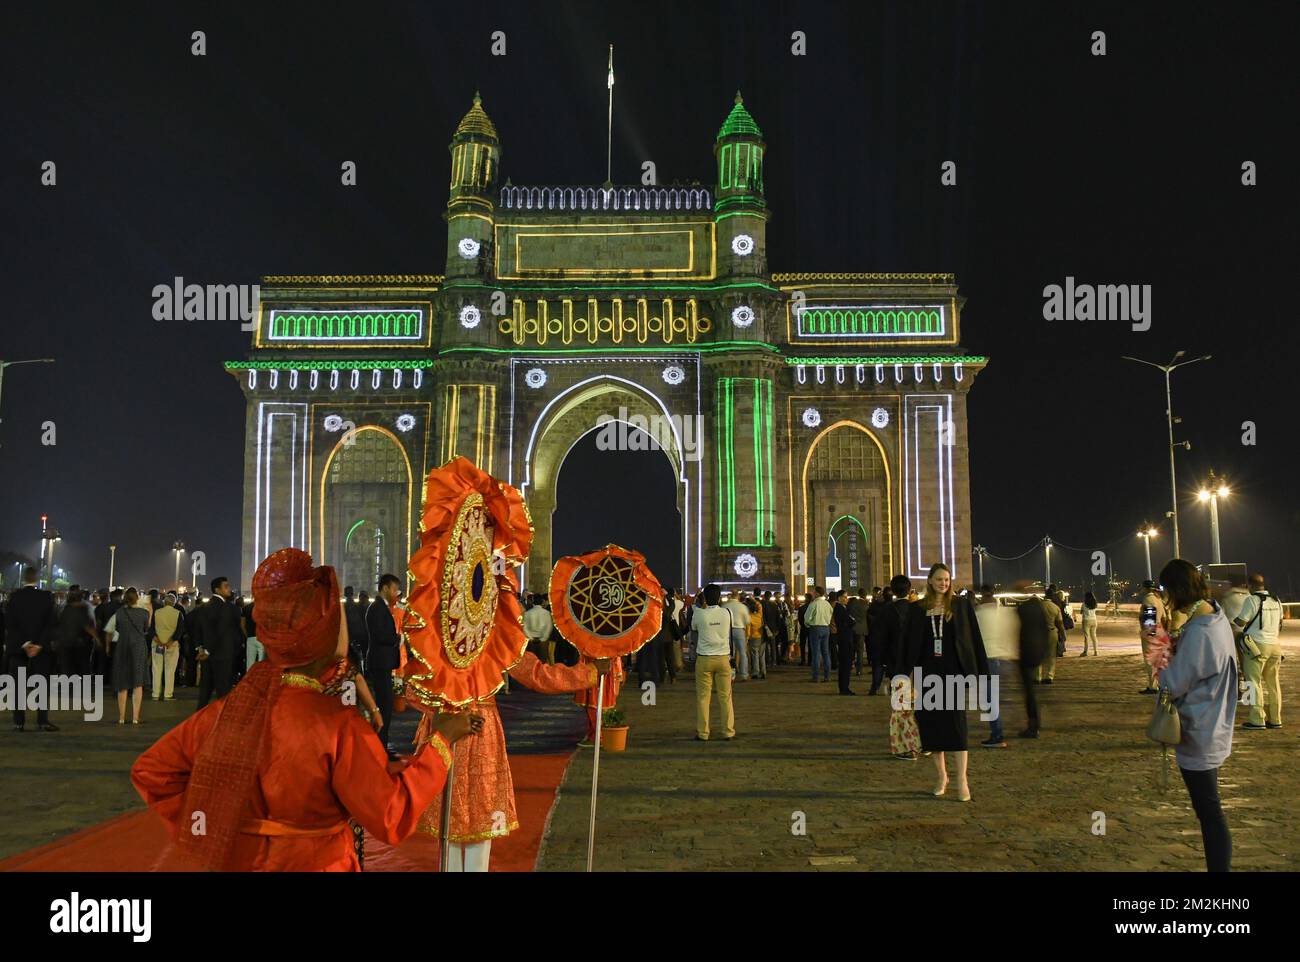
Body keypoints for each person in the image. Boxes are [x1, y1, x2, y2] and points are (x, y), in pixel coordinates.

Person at [131, 548, 481, 871]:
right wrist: (442, 741)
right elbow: (390, 815)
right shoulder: (338, 725)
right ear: (325, 639)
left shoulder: (228, 711)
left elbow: (152, 772)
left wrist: (216, 824)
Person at [1155, 559, 1237, 872]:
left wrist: (1163, 653)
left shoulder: (1201, 633)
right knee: (1209, 807)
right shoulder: (1215, 617)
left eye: (1167, 590)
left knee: (1209, 810)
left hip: (1200, 726)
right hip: (1213, 721)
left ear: (1176, 590)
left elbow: (1171, 684)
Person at [903, 563, 987, 801]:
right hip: (927, 675)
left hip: (954, 674)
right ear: (930, 580)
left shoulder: (960, 606)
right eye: (939, 579)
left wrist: (980, 672)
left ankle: (962, 779)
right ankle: (942, 776)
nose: (943, 583)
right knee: (932, 729)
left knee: (957, 727)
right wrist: (903, 674)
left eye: (947, 579)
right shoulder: (918, 609)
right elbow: (909, 644)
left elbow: (974, 640)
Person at [4, 565, 58, 731]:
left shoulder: (14, 598)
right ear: (37, 578)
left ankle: (19, 722)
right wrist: (39, 644)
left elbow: (10, 624)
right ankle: (42, 720)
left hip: (18, 648)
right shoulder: (46, 597)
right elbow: (51, 624)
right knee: (42, 685)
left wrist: (25, 643)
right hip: (41, 650)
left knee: (18, 686)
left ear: (23, 579)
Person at [1234, 573, 1284, 730]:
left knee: (1252, 682)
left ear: (1250, 585)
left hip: (1256, 646)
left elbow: (1241, 621)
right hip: (1275, 646)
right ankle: (1276, 719)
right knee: (1273, 684)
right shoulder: (1277, 600)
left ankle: (1256, 719)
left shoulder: (1251, 600)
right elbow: (1280, 623)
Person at [190, 577, 244, 708]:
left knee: (205, 692)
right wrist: (208, 650)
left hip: (206, 656)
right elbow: (220, 632)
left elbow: (196, 629)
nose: (229, 589)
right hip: (222, 655)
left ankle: (198, 721)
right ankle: (221, 721)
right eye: (226, 586)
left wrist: (200, 648)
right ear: (217, 589)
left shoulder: (203, 607)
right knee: (223, 691)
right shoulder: (227, 608)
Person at [975, 585, 1019, 748]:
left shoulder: (978, 614)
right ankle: (1006, 726)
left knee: (990, 700)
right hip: (1006, 659)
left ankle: (997, 735)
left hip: (988, 659)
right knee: (1000, 698)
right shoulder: (1006, 613)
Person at [364, 574, 404, 755]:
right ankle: (379, 748)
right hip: (379, 663)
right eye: (395, 589)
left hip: (383, 664)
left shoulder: (382, 608)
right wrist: (397, 638)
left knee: (386, 706)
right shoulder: (377, 608)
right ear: (385, 588)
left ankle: (381, 745)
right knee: (384, 707)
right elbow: (381, 635)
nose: (397, 593)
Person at [690, 584, 735, 740]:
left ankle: (703, 733)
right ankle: (728, 731)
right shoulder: (727, 613)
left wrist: (699, 603)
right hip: (723, 658)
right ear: (719, 597)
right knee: (726, 697)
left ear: (704, 598)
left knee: (703, 697)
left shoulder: (699, 614)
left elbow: (693, 627)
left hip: (704, 658)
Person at [110, 588, 151, 724]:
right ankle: (135, 717)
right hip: (138, 646)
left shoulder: (120, 612)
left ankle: (121, 717)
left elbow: (117, 628)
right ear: (137, 599)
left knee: (123, 682)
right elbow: (146, 628)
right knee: (137, 682)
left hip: (122, 646)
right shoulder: (144, 613)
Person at [53, 588, 97, 679]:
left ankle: (70, 688)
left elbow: (58, 624)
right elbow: (88, 626)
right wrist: (97, 638)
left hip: (64, 643)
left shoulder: (64, 608)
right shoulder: (84, 608)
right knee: (83, 667)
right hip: (79, 644)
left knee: (67, 669)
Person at [151, 592, 183, 701]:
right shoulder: (178, 613)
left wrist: (158, 640)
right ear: (174, 603)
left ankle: (155, 693)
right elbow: (180, 631)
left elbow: (151, 629)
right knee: (170, 670)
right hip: (172, 645)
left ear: (164, 602)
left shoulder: (157, 613)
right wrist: (170, 641)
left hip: (157, 644)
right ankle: (168, 694)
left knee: (156, 668)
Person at [1138, 579, 1167, 694]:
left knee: (1150, 661)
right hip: (1160, 631)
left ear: (1146, 589)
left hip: (1151, 632)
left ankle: (1153, 686)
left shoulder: (1148, 599)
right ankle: (1159, 684)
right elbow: (1165, 618)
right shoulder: (1158, 599)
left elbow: (1149, 620)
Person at [804, 586, 833, 682]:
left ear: (816, 593)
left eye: (813, 592)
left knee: (816, 653)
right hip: (826, 628)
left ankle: (816, 677)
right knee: (826, 653)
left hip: (815, 628)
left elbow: (807, 618)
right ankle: (827, 676)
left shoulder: (813, 604)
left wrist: (808, 624)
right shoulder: (827, 604)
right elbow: (831, 615)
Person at [1035, 590, 1064, 684]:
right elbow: (1059, 623)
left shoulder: (1039, 606)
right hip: (1052, 632)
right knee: (1051, 655)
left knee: (1039, 655)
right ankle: (1049, 676)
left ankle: (1037, 676)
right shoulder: (1055, 607)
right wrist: (1063, 634)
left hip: (1039, 633)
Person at [723, 590, 750, 681]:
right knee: (742, 653)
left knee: (729, 653)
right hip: (739, 630)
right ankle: (744, 674)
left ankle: (731, 675)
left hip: (728, 630)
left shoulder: (725, 606)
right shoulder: (742, 607)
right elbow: (747, 621)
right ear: (738, 596)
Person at [833, 591, 856, 694]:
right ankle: (844, 688)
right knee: (845, 665)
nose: (846, 599)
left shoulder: (843, 608)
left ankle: (845, 687)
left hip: (846, 638)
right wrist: (851, 622)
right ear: (839, 598)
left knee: (846, 665)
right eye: (845, 597)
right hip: (844, 639)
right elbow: (847, 622)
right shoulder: (839, 609)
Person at [523, 593, 555, 665]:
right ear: (542, 602)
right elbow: (548, 627)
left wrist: (530, 637)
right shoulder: (546, 613)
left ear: (533, 601)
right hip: (543, 642)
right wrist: (543, 638)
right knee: (542, 664)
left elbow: (525, 627)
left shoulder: (528, 613)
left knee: (532, 664)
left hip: (531, 642)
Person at [847, 588, 870, 678]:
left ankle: (850, 666)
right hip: (862, 629)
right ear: (865, 595)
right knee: (860, 650)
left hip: (853, 628)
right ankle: (859, 670)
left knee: (851, 649)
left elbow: (848, 613)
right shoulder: (866, 604)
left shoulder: (853, 603)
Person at [744, 594, 766, 680]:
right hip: (762, 636)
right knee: (762, 655)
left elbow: (748, 629)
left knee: (755, 655)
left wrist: (747, 638)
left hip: (753, 637)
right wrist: (754, 600)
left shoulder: (749, 617)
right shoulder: (760, 614)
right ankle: (763, 671)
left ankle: (755, 672)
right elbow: (759, 605)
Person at [1079, 591, 1099, 656]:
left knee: (1086, 637)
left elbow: (1081, 612)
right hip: (1094, 620)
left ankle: (1086, 652)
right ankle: (1096, 651)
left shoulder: (1084, 604)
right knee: (1094, 636)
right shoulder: (1095, 604)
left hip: (1086, 621)